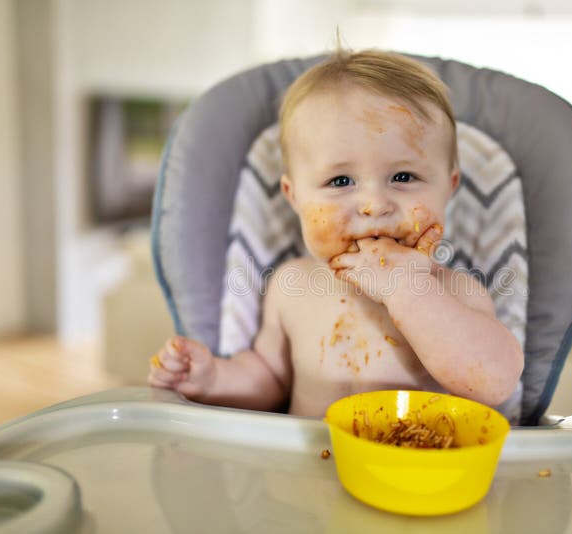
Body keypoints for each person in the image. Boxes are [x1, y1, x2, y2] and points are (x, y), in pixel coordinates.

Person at [148, 49, 524, 416]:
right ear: (294, 198)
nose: (374, 204)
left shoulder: (456, 292)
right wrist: (214, 379)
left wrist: (408, 290)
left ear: (449, 187)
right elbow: (269, 379)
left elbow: (495, 383)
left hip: (418, 475)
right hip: (307, 473)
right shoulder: (289, 286)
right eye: (340, 180)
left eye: (404, 177)